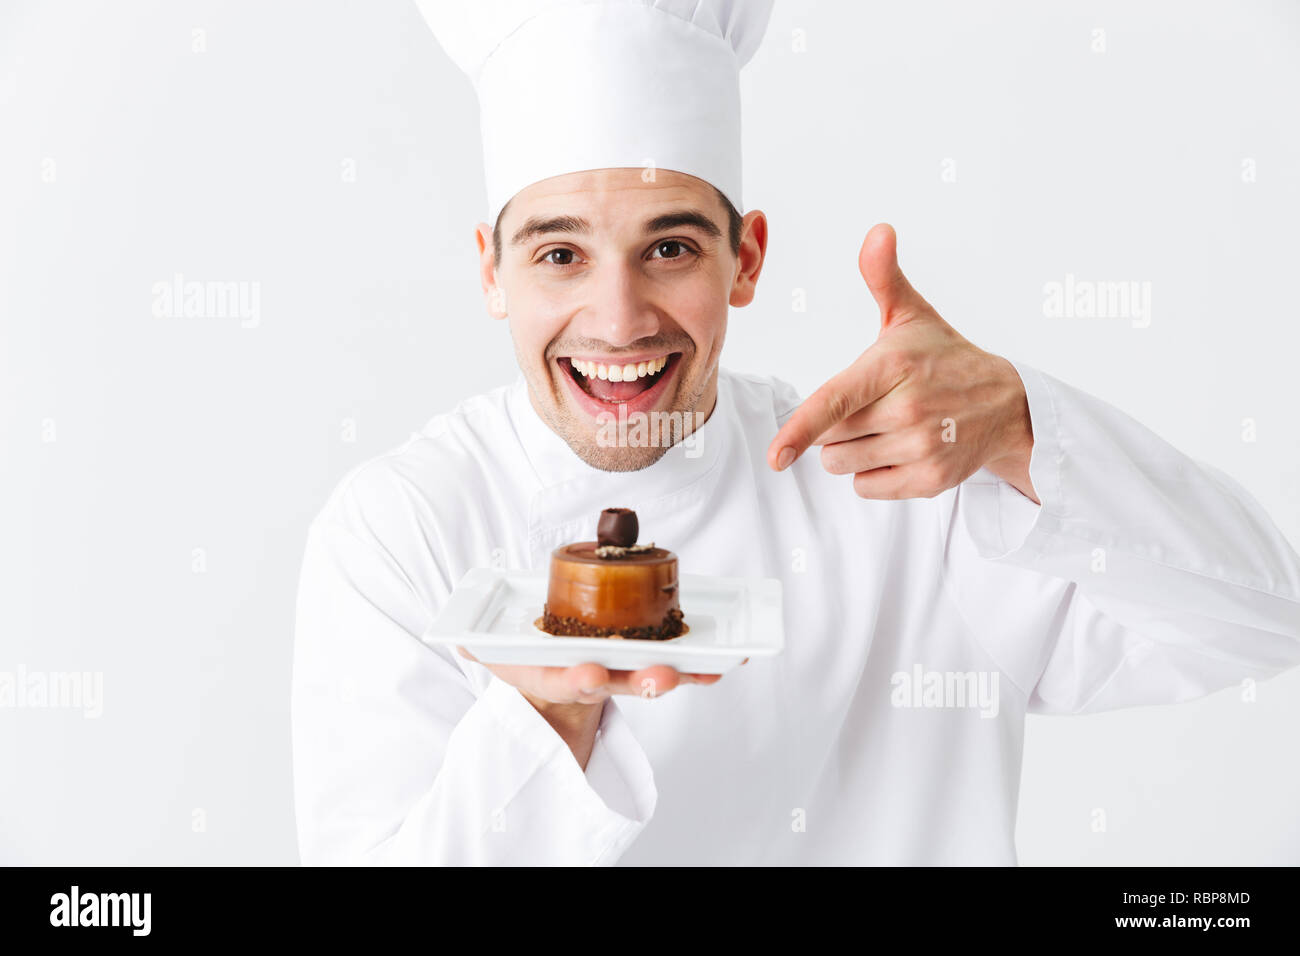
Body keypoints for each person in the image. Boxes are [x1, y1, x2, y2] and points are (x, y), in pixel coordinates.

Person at [290, 0, 1300, 865]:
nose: (618, 317)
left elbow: (1266, 620)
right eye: (559, 253)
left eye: (670, 246)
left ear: (746, 258)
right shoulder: (402, 530)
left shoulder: (903, 482)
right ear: (489, 272)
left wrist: (1020, 428)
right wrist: (546, 717)